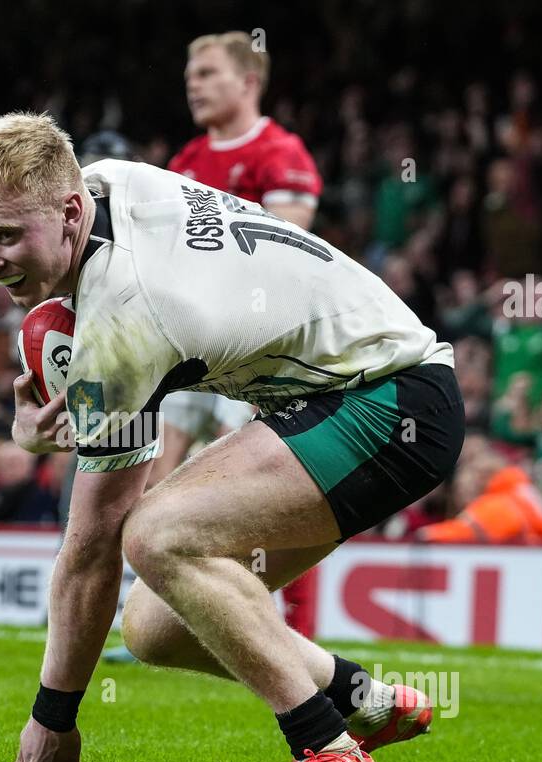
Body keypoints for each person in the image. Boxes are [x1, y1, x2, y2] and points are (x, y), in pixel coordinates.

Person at [0, 113, 463, 762]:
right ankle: (365, 700)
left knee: (158, 535)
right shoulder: (106, 183)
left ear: (68, 213)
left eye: (5, 237)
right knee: (155, 628)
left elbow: (92, 544)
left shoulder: (127, 319)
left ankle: (328, 748)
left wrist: (52, 718)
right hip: (345, 390)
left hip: (391, 404)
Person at [154, 32, 326, 637]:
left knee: (252, 493)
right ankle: (160, 613)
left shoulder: (282, 153)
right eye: (189, 72)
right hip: (195, 348)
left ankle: (278, 622)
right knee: (161, 475)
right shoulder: (185, 163)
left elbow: (286, 256)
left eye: (206, 72)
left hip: (261, 351)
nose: (192, 83)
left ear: (248, 81)